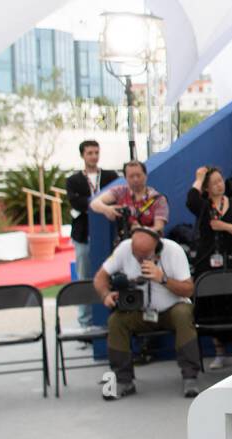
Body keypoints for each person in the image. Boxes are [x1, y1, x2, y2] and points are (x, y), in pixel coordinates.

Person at [94, 227, 200, 399]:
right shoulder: (124, 249)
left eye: (145, 255)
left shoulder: (173, 251)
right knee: (116, 321)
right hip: (139, 311)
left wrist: (162, 278)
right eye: (137, 255)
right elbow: (100, 277)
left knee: (183, 314)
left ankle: (190, 377)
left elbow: (188, 290)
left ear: (157, 248)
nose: (140, 259)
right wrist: (106, 295)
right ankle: (123, 380)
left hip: (171, 308)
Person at [65, 140, 118, 328]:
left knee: (111, 275)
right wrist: (100, 205)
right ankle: (85, 323)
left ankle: (113, 319)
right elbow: (76, 203)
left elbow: (117, 197)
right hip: (83, 235)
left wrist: (93, 204)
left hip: (108, 234)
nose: (94, 156)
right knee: (85, 276)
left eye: (96, 152)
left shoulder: (111, 177)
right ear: (83, 155)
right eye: (90, 153)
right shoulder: (73, 181)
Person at [90, 160, 168, 241]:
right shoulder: (120, 191)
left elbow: (159, 228)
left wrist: (140, 230)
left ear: (145, 175)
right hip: (125, 242)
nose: (135, 179)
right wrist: (107, 209)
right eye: (131, 176)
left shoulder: (158, 199)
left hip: (149, 243)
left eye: (138, 175)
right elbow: (94, 203)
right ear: (125, 178)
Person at [186, 166, 232, 274]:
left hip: (231, 259)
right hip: (207, 259)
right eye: (214, 183)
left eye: (220, 180)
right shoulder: (204, 206)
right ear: (206, 188)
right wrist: (199, 180)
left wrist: (225, 226)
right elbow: (192, 199)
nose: (219, 185)